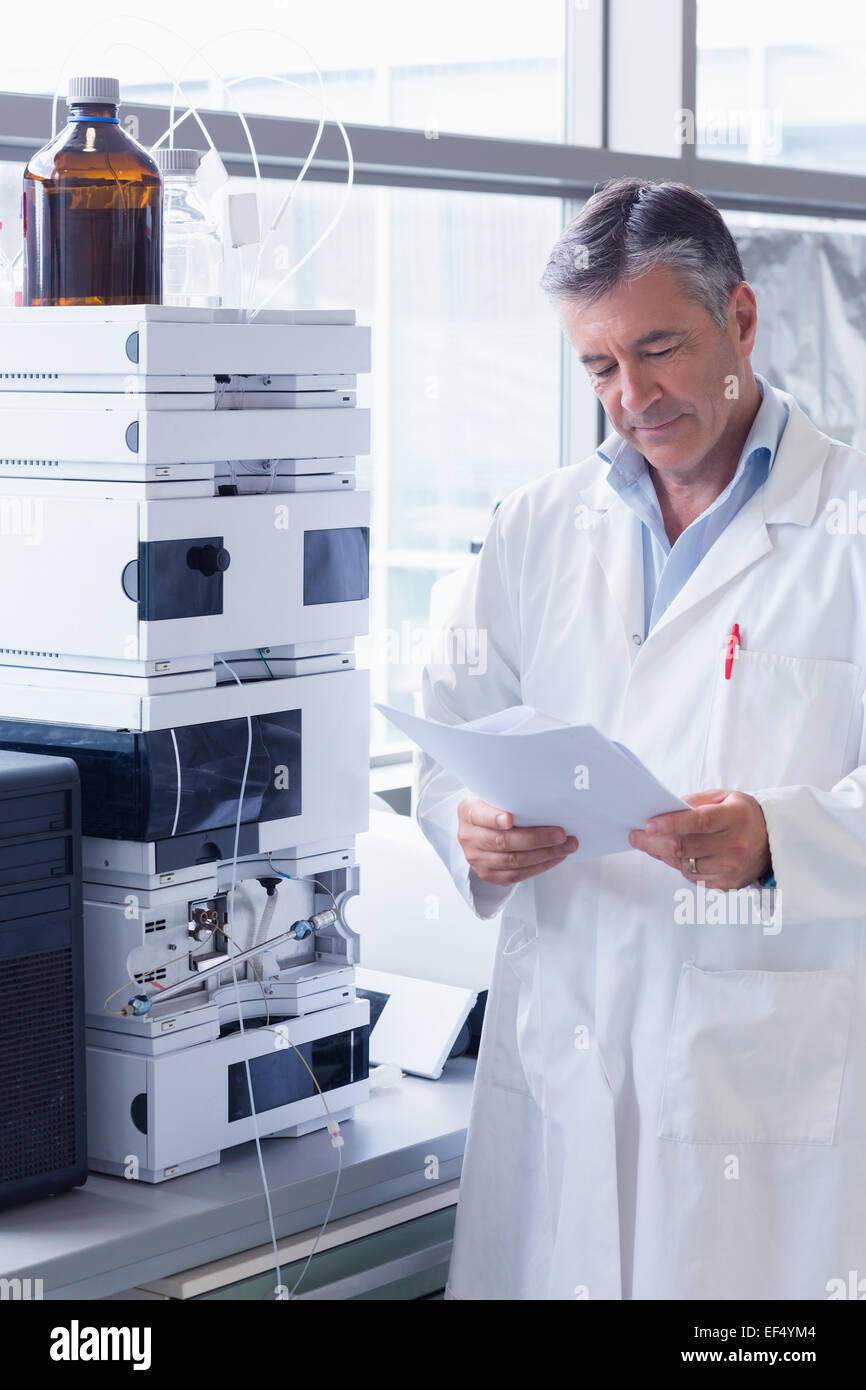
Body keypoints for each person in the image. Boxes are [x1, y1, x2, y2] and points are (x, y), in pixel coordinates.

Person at [415, 178, 866, 1301]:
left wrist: (777, 836)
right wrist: (468, 829)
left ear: (740, 321)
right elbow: (450, 740)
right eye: (597, 366)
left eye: (657, 349)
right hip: (562, 1056)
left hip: (763, 1091)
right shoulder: (534, 526)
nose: (631, 395)